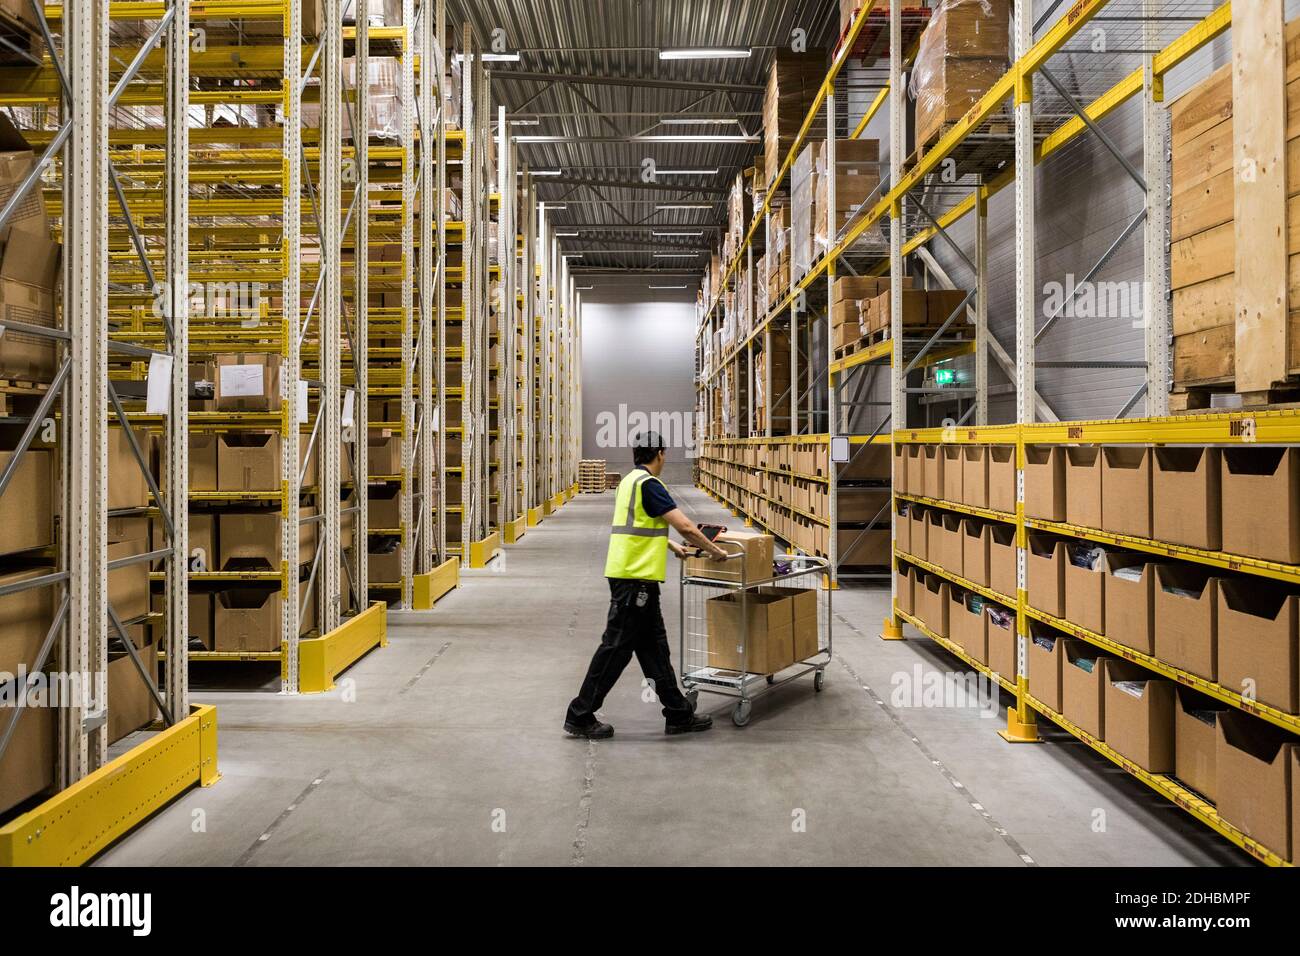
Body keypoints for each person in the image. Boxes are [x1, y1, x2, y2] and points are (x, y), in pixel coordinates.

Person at [563, 431, 729, 739]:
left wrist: (671, 547)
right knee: (615, 649)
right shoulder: (651, 484)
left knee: (654, 649)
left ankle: (678, 714)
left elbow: (639, 524)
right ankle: (580, 714)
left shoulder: (629, 481)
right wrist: (714, 550)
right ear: (661, 454)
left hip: (633, 577)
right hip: (634, 580)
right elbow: (686, 525)